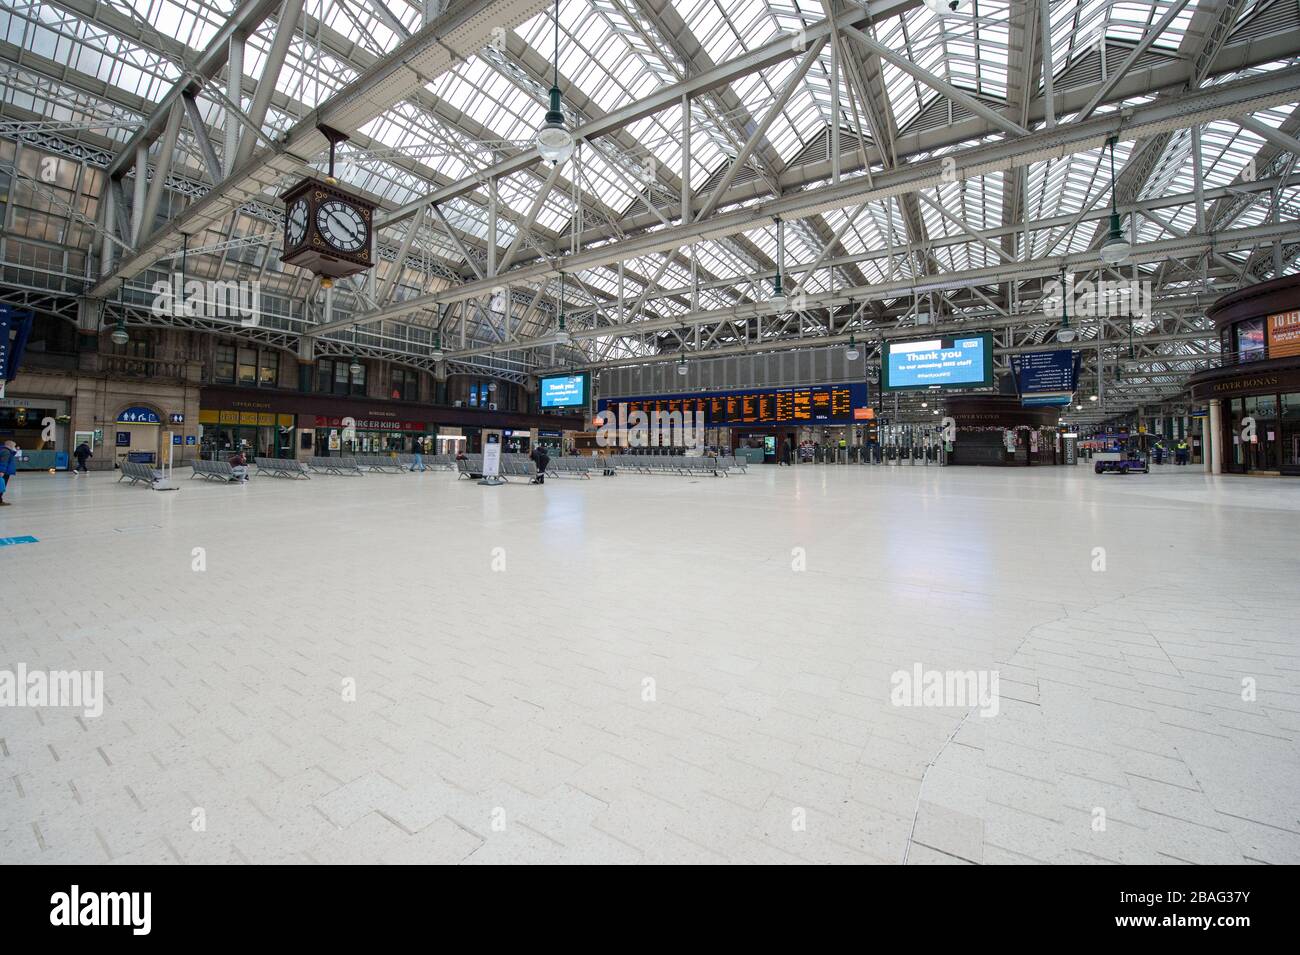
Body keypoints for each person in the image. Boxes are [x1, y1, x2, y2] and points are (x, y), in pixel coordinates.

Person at [0, 441, 17, 505]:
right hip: (4, 472)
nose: (15, 447)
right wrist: (2, 471)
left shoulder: (5, 450)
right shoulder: (6, 452)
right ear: (10, 446)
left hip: (4, 472)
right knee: (1, 487)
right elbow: (3, 462)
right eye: (14, 446)